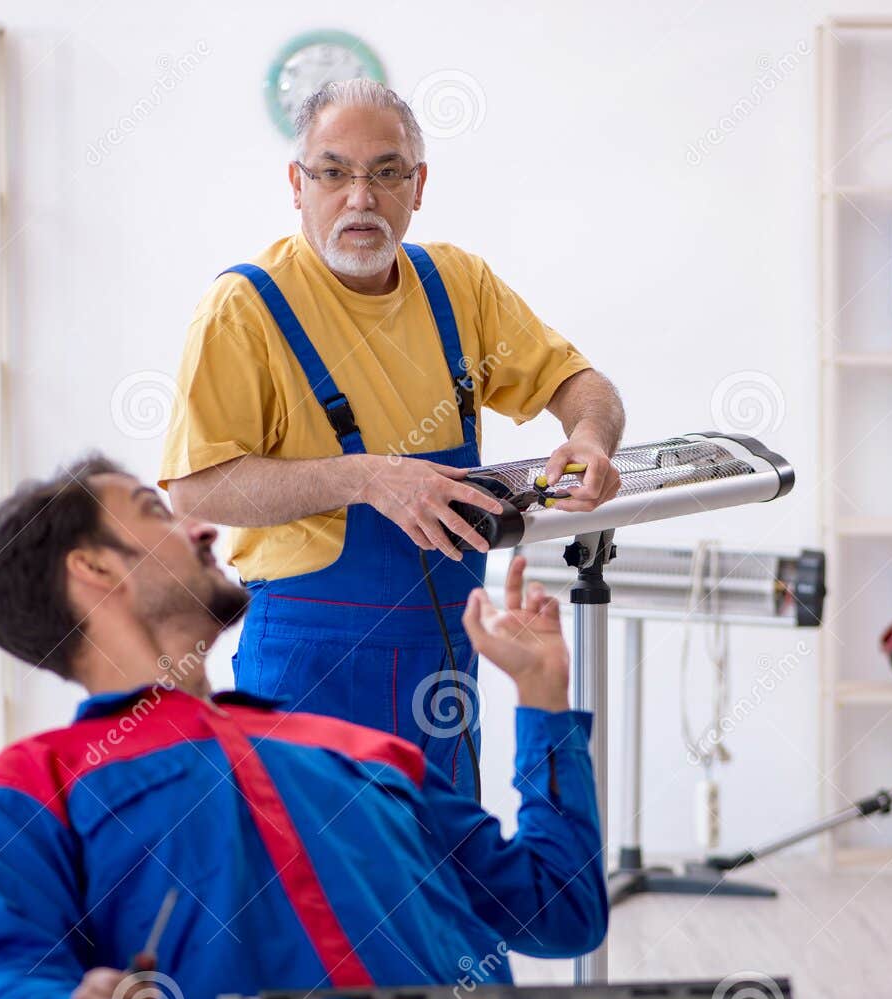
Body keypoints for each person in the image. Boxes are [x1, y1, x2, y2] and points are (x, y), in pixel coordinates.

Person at [0, 455, 606, 999]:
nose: (205, 529)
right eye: (156, 513)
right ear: (94, 569)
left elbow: (560, 911)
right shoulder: (29, 788)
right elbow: (8, 979)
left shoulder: (366, 751)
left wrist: (542, 696)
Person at [160, 79, 625, 798]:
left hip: (442, 658)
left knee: (441, 880)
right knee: (313, 889)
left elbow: (580, 383)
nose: (360, 197)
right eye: (334, 172)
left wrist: (591, 438)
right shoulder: (244, 309)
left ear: (419, 184)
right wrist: (364, 479)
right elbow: (197, 485)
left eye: (386, 173)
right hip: (307, 665)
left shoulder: (459, 287)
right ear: (296, 183)